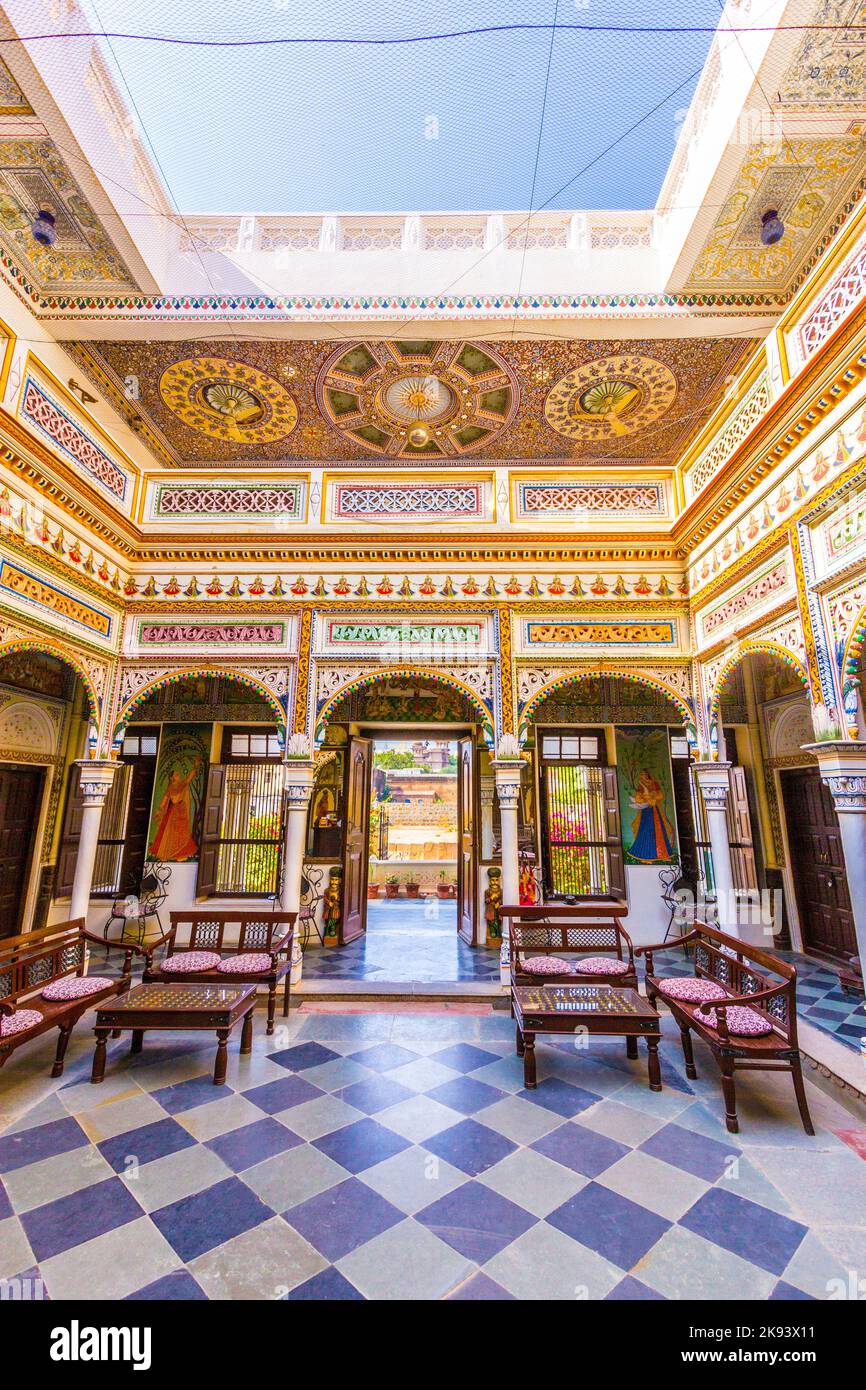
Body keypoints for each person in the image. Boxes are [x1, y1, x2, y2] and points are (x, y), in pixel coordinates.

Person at [148, 757, 202, 861]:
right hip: (172, 812)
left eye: (178, 774)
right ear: (172, 777)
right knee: (169, 833)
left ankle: (180, 854)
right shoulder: (170, 788)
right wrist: (159, 810)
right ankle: (167, 854)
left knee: (182, 833)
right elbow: (165, 799)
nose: (179, 776)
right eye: (176, 775)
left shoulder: (181, 785)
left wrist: (195, 766)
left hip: (181, 812)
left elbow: (188, 779)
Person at [628, 769, 674, 862]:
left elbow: (660, 795)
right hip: (646, 811)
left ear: (648, 775)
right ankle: (646, 856)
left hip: (655, 810)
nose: (643, 776)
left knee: (659, 830)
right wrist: (645, 797)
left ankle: (663, 854)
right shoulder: (640, 785)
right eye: (641, 774)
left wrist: (652, 796)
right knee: (646, 831)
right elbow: (638, 798)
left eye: (644, 774)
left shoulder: (654, 783)